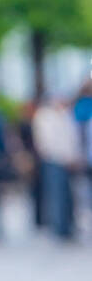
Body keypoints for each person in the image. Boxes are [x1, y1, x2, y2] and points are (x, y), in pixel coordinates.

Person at [32, 97, 82, 239]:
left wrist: (73, 157)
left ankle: (68, 225)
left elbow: (71, 138)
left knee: (68, 195)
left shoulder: (65, 115)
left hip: (68, 161)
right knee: (56, 195)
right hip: (54, 160)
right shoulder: (45, 116)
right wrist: (62, 157)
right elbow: (47, 142)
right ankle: (60, 228)